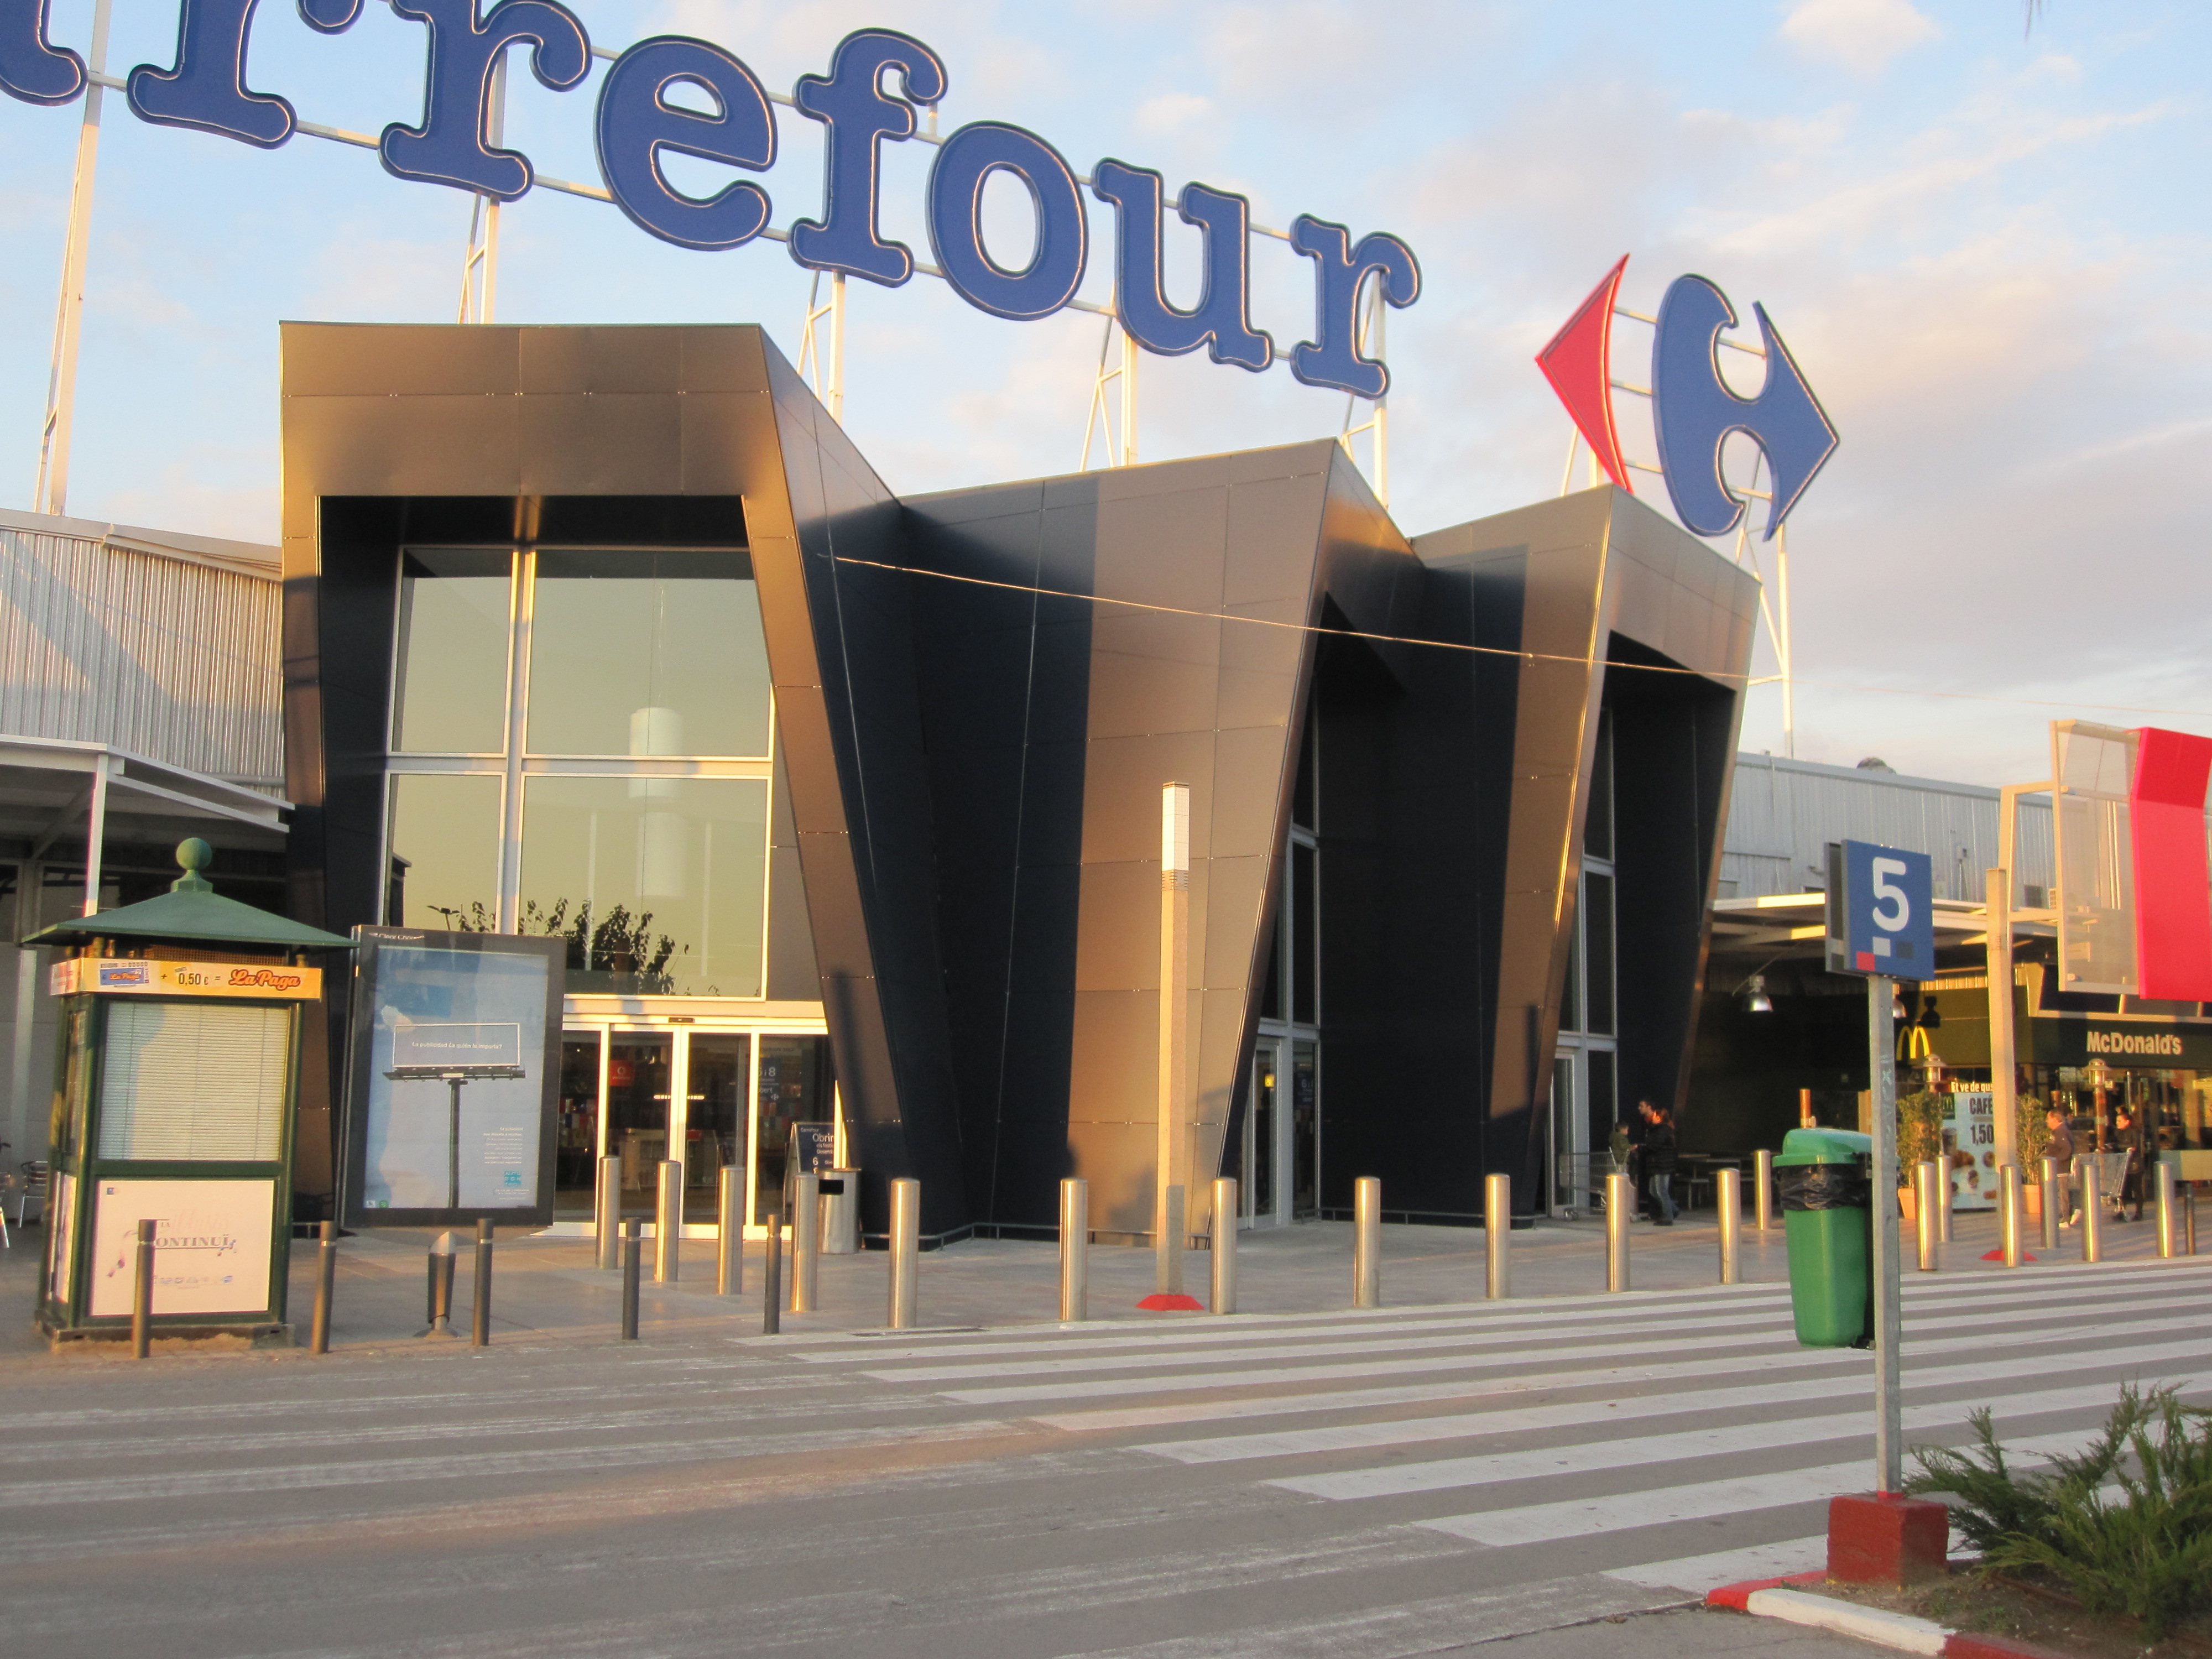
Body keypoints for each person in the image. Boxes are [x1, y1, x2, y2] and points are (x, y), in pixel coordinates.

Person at [1638, 1099, 1677, 1225]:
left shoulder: (1663, 1129)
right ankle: (1673, 1209)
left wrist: (1640, 1148)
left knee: (1661, 1191)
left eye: (1656, 1115)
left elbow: (1654, 1146)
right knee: (1653, 1191)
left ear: (1660, 1118)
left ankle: (1668, 1217)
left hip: (1662, 1164)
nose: (1653, 1116)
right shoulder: (1655, 1129)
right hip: (1656, 1164)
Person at [2046, 1107, 2078, 1227]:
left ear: (2055, 1119)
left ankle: (2066, 1217)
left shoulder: (2061, 1131)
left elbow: (2067, 1149)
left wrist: (2056, 1160)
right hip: (2057, 1167)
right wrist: (2045, 1150)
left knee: (2063, 1193)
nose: (2047, 1122)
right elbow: (2051, 1146)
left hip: (2061, 1168)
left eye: (2048, 1119)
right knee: (2061, 1192)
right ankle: (2067, 1214)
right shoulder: (2056, 1132)